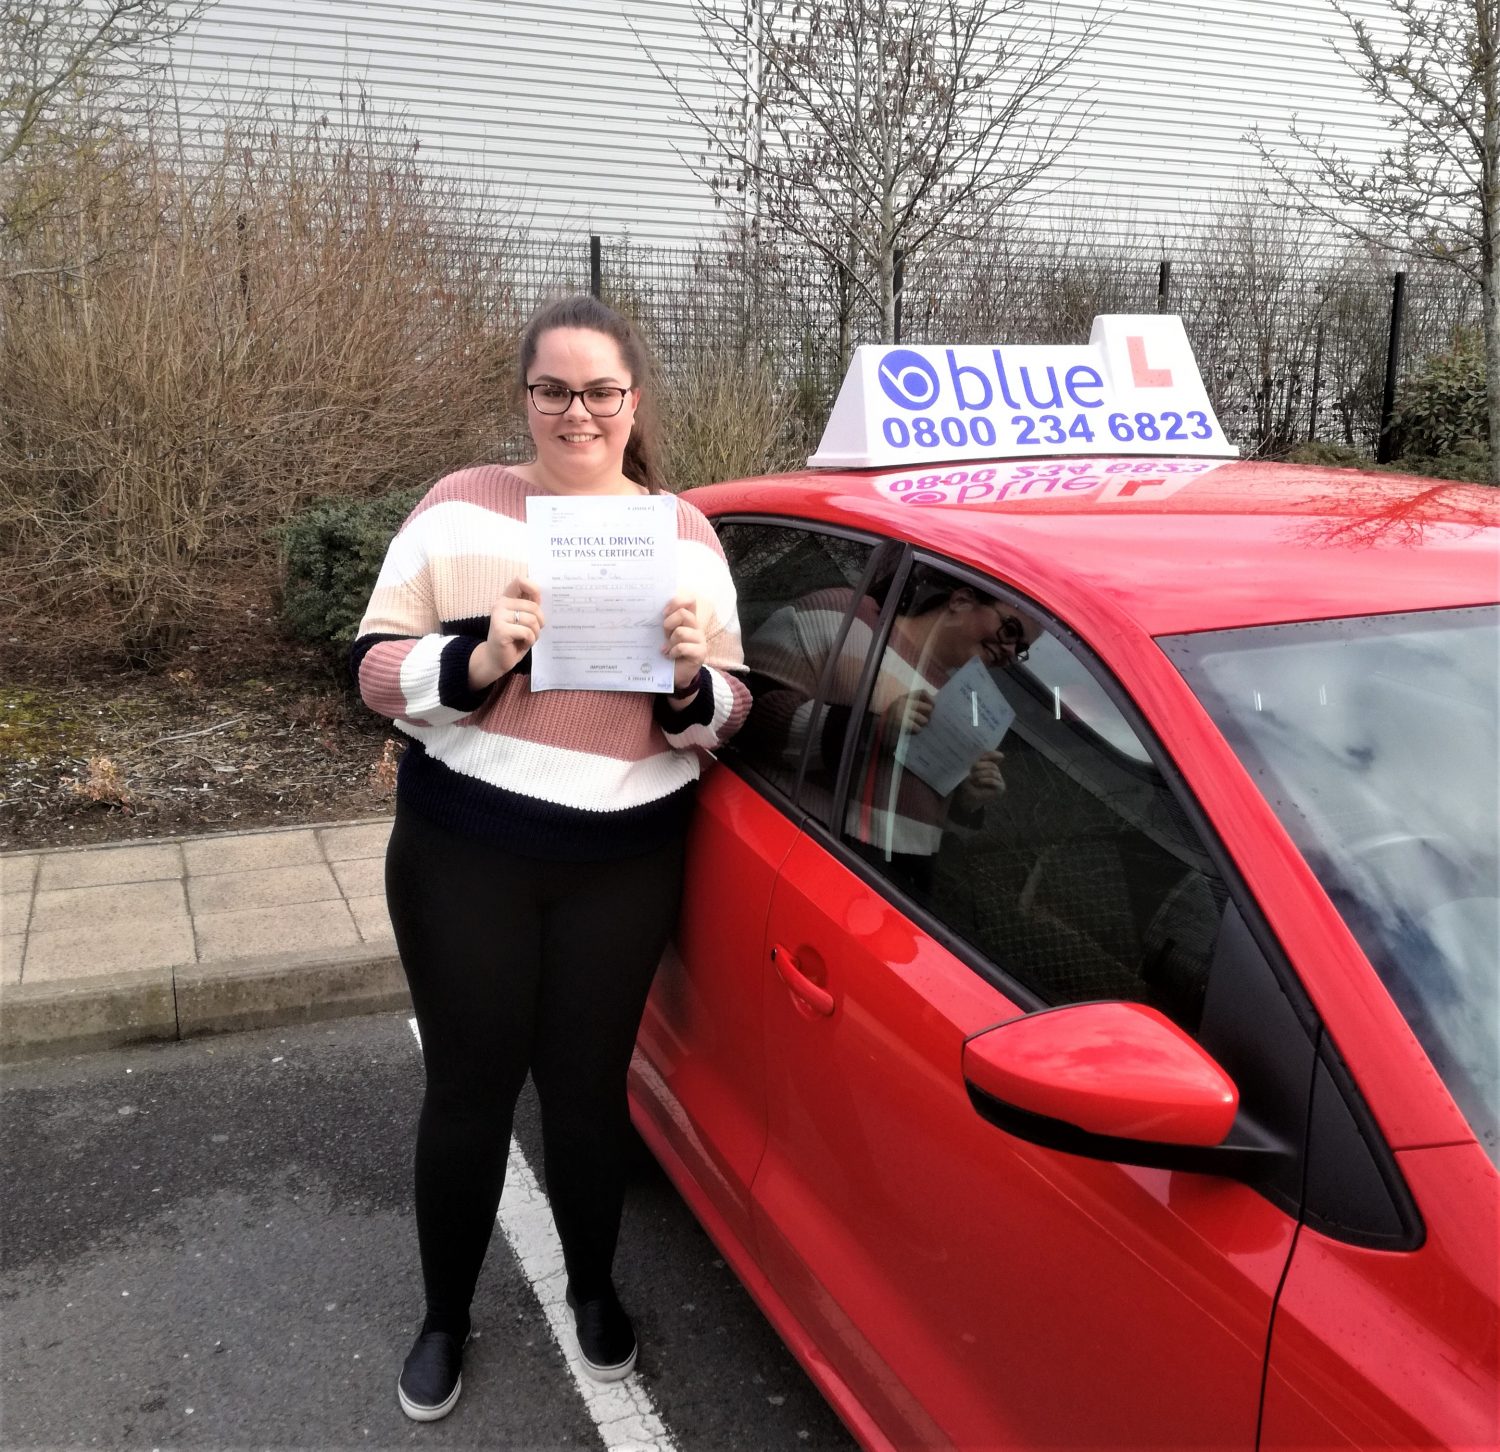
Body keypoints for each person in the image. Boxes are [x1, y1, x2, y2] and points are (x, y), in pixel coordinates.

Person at [351, 294, 750, 1421]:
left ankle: (590, 1287)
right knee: (470, 1092)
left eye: (600, 392)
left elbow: (732, 713)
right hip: (466, 854)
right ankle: (444, 1316)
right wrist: (479, 657)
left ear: (633, 401)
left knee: (586, 1091)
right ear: (525, 398)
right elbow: (373, 671)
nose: (578, 412)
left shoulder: (684, 533)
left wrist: (692, 684)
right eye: (554, 391)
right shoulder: (456, 506)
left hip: (623, 861)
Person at [739, 569, 1037, 895]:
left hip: (890, 895)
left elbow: (916, 819)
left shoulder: (969, 706)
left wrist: (966, 801)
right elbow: (747, 717)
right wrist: (871, 731)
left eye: (1021, 648)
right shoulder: (842, 613)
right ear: (961, 600)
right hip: (790, 856)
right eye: (1011, 630)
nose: (1010, 650)